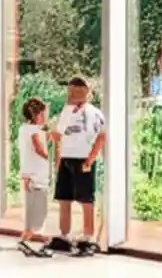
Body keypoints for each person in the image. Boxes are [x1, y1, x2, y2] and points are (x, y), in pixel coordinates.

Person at [49, 76, 106, 256]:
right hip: (67, 158)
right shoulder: (66, 111)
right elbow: (59, 135)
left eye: (79, 90)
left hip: (82, 159)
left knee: (86, 199)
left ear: (88, 93)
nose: (74, 94)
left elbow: (101, 136)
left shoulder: (93, 113)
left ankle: (88, 238)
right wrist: (58, 158)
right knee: (64, 198)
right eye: (72, 90)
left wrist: (90, 159)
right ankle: (64, 236)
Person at [17, 97, 53, 258]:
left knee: (33, 212)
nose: (46, 117)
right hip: (36, 178)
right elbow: (39, 148)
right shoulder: (34, 132)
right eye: (44, 114)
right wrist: (48, 155)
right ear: (38, 116)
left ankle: (28, 239)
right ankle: (25, 241)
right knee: (38, 213)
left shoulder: (24, 129)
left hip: (29, 176)